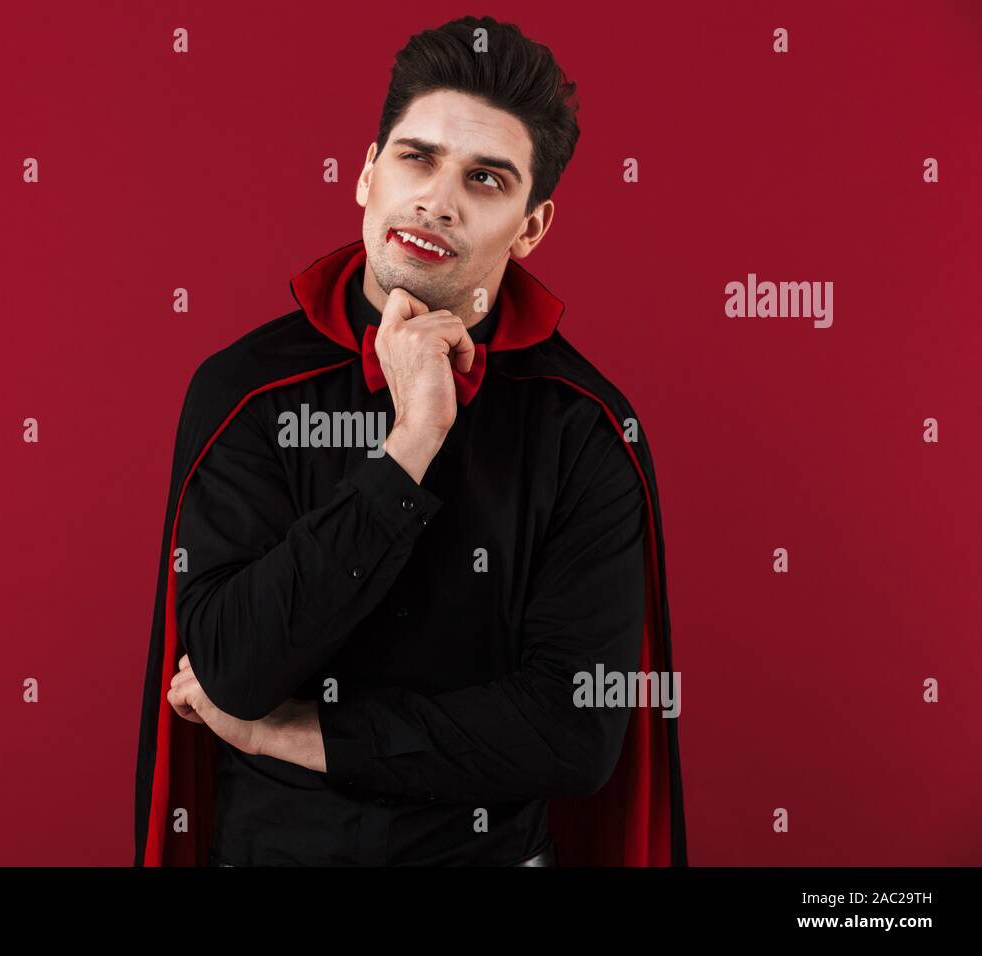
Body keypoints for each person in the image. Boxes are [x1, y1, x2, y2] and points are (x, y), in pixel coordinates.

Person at [133, 15, 686, 867]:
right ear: (367, 176)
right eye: (416, 158)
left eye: (487, 179)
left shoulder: (586, 427)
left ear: (531, 227)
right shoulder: (240, 389)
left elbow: (576, 737)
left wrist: (305, 736)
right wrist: (410, 448)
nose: (438, 199)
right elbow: (231, 669)